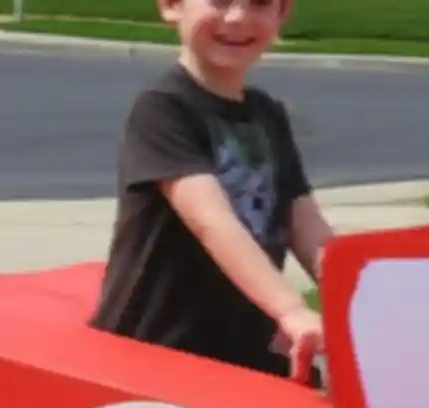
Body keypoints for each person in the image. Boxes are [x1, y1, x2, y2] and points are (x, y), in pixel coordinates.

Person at [89, 0, 333, 387]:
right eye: (219, 1)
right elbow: (211, 221)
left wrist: (363, 293)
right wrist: (290, 308)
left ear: (282, 13)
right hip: (159, 349)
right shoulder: (164, 108)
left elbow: (304, 220)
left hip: (243, 344)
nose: (237, 18)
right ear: (171, 6)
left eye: (259, 3)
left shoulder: (267, 113)